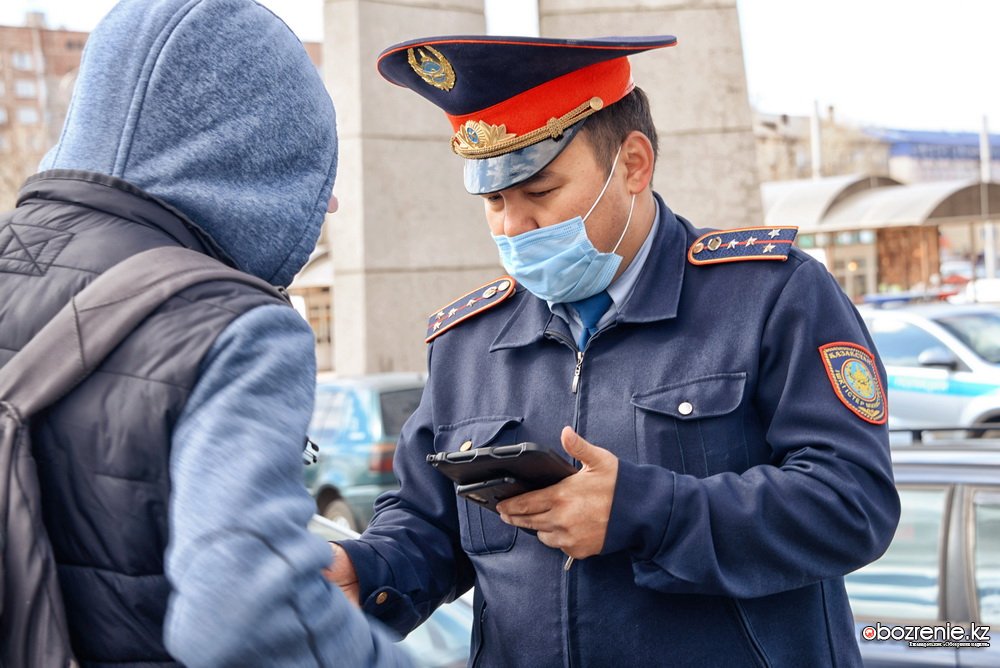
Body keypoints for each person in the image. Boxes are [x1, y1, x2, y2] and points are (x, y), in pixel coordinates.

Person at [327, 34, 901, 666]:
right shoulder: (468, 343)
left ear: (633, 165)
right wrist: (369, 569)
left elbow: (851, 503)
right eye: (494, 200)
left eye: (540, 192)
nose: (513, 227)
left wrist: (647, 512)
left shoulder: (771, 295)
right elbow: (429, 523)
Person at [0, 0, 411, 665]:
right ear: (251, 156)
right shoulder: (233, 325)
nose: (326, 203)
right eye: (307, 168)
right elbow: (247, 618)